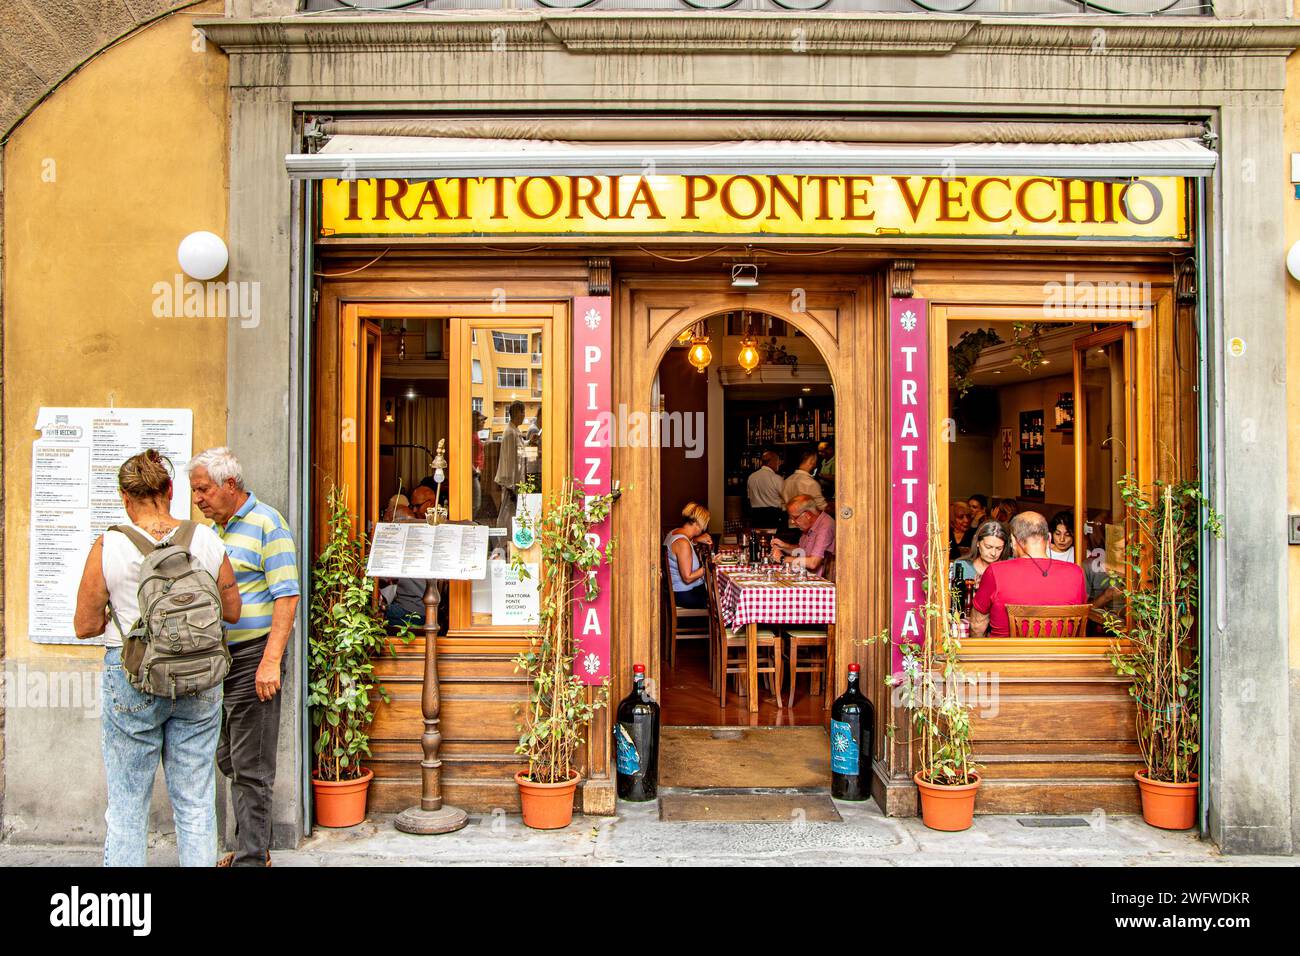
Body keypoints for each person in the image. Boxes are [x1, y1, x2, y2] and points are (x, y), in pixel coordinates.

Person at [74, 449, 241, 867]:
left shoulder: (108, 545)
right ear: (170, 490)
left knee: (128, 806)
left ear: (124, 497)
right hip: (200, 679)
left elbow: (85, 625)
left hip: (131, 678)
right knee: (197, 802)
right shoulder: (204, 539)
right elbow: (232, 611)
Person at [188, 447, 301, 868]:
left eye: (203, 489)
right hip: (217, 660)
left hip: (254, 656)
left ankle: (253, 858)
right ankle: (251, 844)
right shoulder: (211, 533)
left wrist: (270, 661)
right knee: (227, 756)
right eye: (194, 490)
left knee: (251, 763)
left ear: (229, 485)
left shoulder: (267, 523)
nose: (197, 498)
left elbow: (287, 596)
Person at [969, 511, 1088, 638]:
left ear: (1014, 541)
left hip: (1005, 655)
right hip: (1060, 656)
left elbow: (977, 626)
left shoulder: (995, 572)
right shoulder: (1076, 573)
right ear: (1049, 538)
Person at [771, 494, 835, 577]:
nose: (792, 522)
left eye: (794, 518)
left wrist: (782, 558)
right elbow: (803, 551)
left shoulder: (825, 526)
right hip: (806, 576)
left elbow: (813, 563)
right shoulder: (810, 526)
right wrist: (784, 547)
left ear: (807, 515)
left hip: (820, 581)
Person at [664, 502, 713, 610]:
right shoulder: (683, 543)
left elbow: (681, 548)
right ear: (697, 523)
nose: (704, 528)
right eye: (704, 524)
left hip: (677, 590)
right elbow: (687, 578)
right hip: (686, 594)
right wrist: (709, 565)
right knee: (719, 599)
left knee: (715, 591)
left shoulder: (674, 533)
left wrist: (696, 540)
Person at [495, 400, 526, 530]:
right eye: (522, 412)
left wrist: (530, 442)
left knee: (514, 513)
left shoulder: (515, 431)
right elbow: (508, 460)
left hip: (517, 481)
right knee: (507, 514)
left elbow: (519, 452)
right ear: (515, 413)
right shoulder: (510, 433)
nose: (524, 415)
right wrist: (510, 487)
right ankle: (503, 542)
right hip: (511, 483)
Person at [951, 520, 1010, 588]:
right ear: (977, 542)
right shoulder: (962, 566)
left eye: (999, 548)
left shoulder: (1009, 568)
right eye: (988, 547)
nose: (993, 553)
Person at [746, 450, 784, 529]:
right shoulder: (776, 478)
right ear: (771, 462)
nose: (779, 464)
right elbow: (786, 497)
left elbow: (749, 498)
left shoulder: (751, 477)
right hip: (774, 516)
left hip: (756, 516)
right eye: (777, 461)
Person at [781, 447, 826, 511]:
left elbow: (783, 506)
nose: (815, 464)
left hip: (790, 520)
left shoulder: (787, 481)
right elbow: (822, 508)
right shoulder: (811, 483)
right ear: (811, 461)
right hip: (808, 520)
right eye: (815, 461)